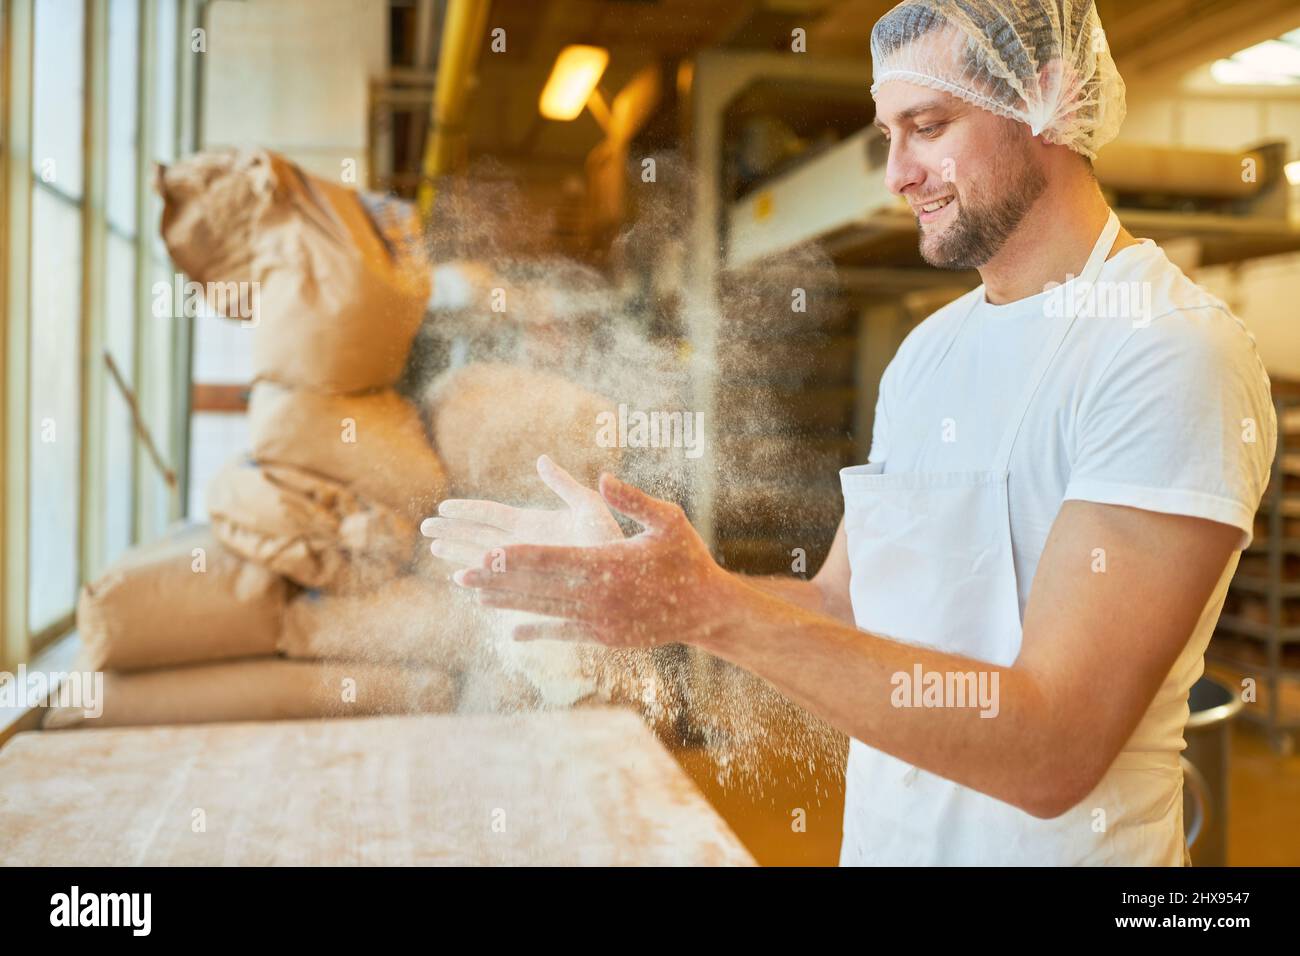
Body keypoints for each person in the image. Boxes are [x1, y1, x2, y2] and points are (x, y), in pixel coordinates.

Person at [421, 0, 1276, 865]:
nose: (897, 173)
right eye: (887, 134)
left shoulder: (1167, 353)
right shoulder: (926, 357)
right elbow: (844, 604)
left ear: (1046, 100)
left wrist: (708, 609)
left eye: (929, 126)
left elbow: (1054, 747)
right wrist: (651, 588)